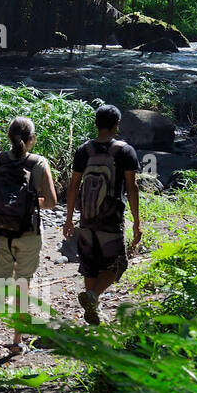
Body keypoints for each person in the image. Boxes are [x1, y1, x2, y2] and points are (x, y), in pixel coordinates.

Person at [0, 116, 58, 365]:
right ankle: (16, 341)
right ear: (31, 139)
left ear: (8, 136)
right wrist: (31, 204)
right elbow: (53, 202)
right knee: (23, 285)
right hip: (28, 234)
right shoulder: (39, 163)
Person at [63, 104, 142, 325]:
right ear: (117, 126)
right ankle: (94, 297)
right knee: (118, 264)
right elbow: (132, 187)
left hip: (87, 217)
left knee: (91, 264)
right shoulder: (125, 151)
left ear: (96, 124)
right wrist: (136, 222)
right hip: (111, 219)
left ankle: (93, 309)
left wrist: (69, 218)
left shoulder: (83, 150)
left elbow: (73, 186)